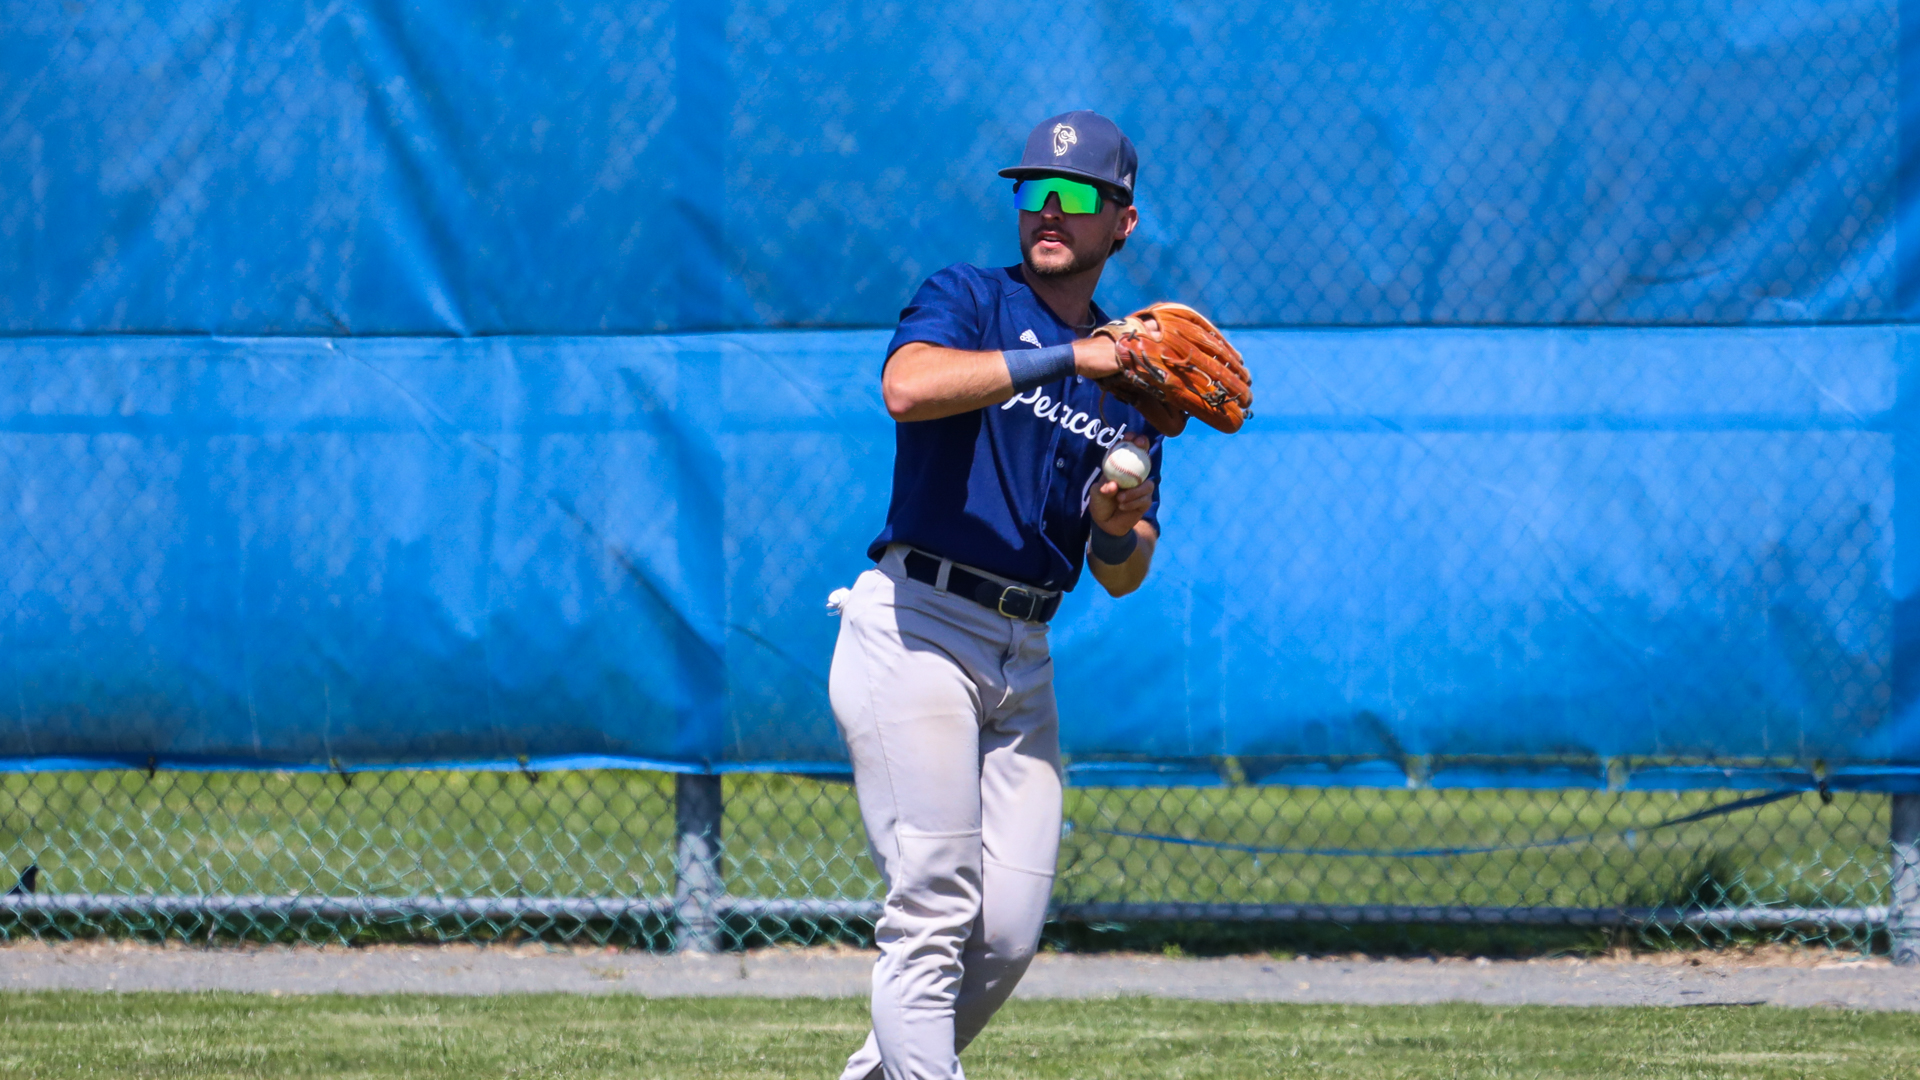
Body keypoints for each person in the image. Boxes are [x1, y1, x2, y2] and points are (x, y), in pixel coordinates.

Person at [829, 110, 1165, 1080]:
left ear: (1122, 223)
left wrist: (1116, 523)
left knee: (1008, 934)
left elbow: (1125, 567)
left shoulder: (1135, 376)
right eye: (1033, 190)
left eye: (1076, 194)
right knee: (933, 906)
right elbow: (908, 387)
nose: (1049, 209)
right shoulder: (970, 296)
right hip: (918, 630)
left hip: (1025, 657)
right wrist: (1070, 357)